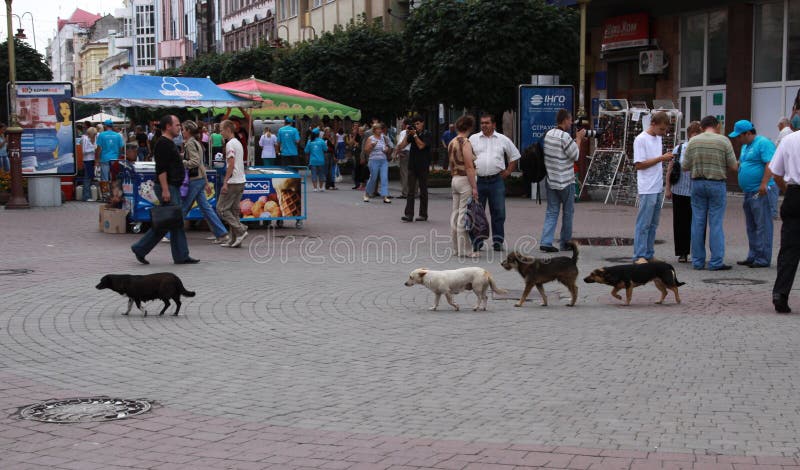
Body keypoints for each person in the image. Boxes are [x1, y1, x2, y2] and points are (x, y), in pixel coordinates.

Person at [130, 115, 198, 265]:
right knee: (171, 220)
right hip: (168, 186)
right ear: (168, 126)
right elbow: (161, 169)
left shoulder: (169, 143)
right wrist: (166, 190)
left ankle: (143, 249)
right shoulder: (163, 144)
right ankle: (178, 255)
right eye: (177, 125)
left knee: (170, 221)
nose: (179, 127)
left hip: (172, 185)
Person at [682, 115, 738, 271]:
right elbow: (734, 166)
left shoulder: (693, 141)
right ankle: (716, 262)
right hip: (717, 184)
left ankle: (698, 261)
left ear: (701, 127)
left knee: (697, 223)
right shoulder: (723, 141)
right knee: (716, 223)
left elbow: (684, 166)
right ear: (717, 125)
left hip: (697, 184)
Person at [469, 113, 521, 251]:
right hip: (478, 180)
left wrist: (508, 172)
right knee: (476, 213)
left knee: (498, 212)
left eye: (487, 123)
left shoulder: (503, 139)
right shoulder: (473, 139)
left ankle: (498, 241)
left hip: (496, 181)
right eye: (482, 123)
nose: (484, 125)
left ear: (494, 124)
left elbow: (514, 156)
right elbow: (467, 158)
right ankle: (477, 242)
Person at [728, 120, 776, 268]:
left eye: (739, 136)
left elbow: (770, 164)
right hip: (749, 191)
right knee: (751, 225)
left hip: (761, 190)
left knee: (763, 225)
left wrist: (764, 183)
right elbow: (742, 165)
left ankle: (763, 258)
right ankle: (753, 255)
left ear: (748, 133)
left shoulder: (763, 143)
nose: (737, 139)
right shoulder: (745, 146)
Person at [539, 109, 584, 253]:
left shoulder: (548, 134)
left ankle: (546, 241)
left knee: (551, 211)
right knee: (568, 212)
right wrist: (579, 139)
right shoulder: (565, 137)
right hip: (566, 180)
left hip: (551, 180)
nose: (571, 123)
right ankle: (565, 243)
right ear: (565, 120)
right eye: (570, 120)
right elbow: (575, 155)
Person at [631, 112, 673, 264]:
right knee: (644, 223)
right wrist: (661, 158)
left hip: (657, 185)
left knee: (653, 224)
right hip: (647, 187)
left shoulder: (657, 138)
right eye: (661, 129)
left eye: (665, 130)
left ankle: (648, 253)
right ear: (653, 124)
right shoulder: (641, 139)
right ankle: (639, 254)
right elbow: (639, 165)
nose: (663, 133)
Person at [181, 120, 229, 244]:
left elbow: (195, 162)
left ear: (188, 131)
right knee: (206, 208)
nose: (182, 132)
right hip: (199, 179)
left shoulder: (190, 144)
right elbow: (201, 164)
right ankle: (222, 233)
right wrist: (206, 181)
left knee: (184, 207)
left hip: (194, 179)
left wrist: (182, 162)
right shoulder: (197, 143)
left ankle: (170, 233)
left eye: (183, 129)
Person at [768, 129, 800, 313]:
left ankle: (780, 294)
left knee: (789, 248)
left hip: (795, 193)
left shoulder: (789, 139)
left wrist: (786, 190)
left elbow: (776, 172)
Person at [665, 121, 702, 263]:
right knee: (680, 222)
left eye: (698, 134)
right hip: (679, 190)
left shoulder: (701, 148)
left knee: (697, 222)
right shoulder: (679, 148)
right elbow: (670, 169)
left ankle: (697, 252)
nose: (695, 138)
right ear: (689, 135)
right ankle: (682, 252)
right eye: (693, 134)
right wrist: (668, 188)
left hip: (696, 191)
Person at [448, 115, 480, 258]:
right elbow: (469, 166)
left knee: (455, 215)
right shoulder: (465, 142)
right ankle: (465, 250)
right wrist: (474, 187)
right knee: (463, 215)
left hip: (454, 179)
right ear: (469, 127)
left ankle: (456, 248)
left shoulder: (452, 142)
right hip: (464, 180)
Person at [216, 119, 249, 248]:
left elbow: (231, 164)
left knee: (222, 209)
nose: (220, 133)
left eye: (221, 130)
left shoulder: (230, 144)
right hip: (241, 179)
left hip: (233, 181)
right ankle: (234, 239)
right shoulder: (238, 143)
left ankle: (241, 230)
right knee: (233, 211)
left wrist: (225, 181)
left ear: (228, 130)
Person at [401, 115, 433, 222]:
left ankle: (423, 214)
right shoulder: (412, 134)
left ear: (423, 123)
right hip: (412, 165)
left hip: (423, 166)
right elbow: (402, 145)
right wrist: (407, 134)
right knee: (411, 191)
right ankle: (409, 215)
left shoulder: (427, 134)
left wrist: (415, 135)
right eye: (415, 123)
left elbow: (421, 146)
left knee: (423, 190)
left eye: (418, 123)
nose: (416, 125)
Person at [363, 122, 392, 204]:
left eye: (380, 129)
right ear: (374, 130)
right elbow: (366, 150)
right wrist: (372, 146)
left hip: (383, 160)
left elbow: (389, 148)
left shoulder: (384, 138)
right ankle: (366, 194)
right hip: (373, 160)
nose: (380, 130)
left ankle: (385, 196)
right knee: (373, 178)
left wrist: (387, 150)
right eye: (378, 129)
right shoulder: (370, 138)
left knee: (384, 178)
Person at [395, 118, 412, 199]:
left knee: (404, 173)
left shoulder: (403, 132)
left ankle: (405, 193)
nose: (401, 125)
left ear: (405, 125)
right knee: (412, 173)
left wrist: (397, 152)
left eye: (402, 123)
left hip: (405, 153)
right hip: (413, 154)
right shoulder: (415, 132)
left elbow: (401, 144)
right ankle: (414, 192)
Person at [80, 127, 98, 201]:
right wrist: (94, 149)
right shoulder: (85, 139)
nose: (94, 136)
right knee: (87, 178)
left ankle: (88, 195)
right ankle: (86, 196)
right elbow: (84, 151)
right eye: (94, 134)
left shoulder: (92, 138)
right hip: (87, 160)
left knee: (89, 177)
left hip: (91, 160)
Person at [347, 124, 364, 190]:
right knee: (356, 168)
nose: (355, 128)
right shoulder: (353, 135)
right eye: (354, 126)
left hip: (360, 153)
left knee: (360, 168)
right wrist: (353, 137)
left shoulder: (361, 135)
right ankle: (357, 184)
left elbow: (358, 144)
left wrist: (355, 142)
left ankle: (361, 184)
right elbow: (351, 144)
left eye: (357, 126)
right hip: (355, 153)